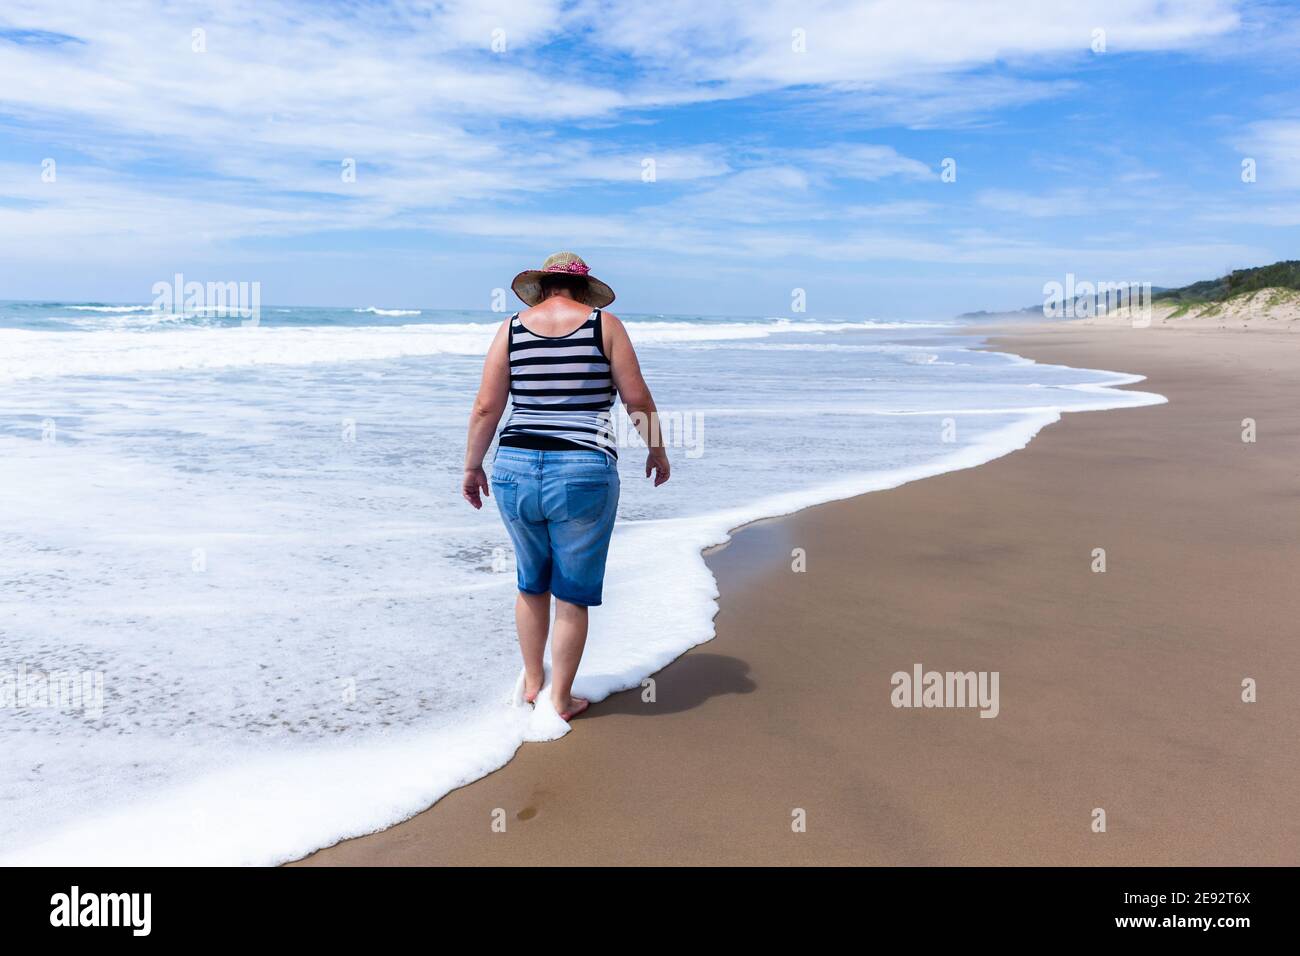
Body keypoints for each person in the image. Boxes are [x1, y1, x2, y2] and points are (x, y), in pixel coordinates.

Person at [462, 252, 670, 721]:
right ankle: (561, 700)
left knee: (530, 582)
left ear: (542, 287)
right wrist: (657, 449)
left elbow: (484, 408)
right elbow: (635, 396)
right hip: (582, 469)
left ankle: (535, 683)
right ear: (583, 289)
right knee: (571, 592)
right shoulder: (604, 325)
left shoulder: (512, 328)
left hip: (513, 466)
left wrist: (472, 467)